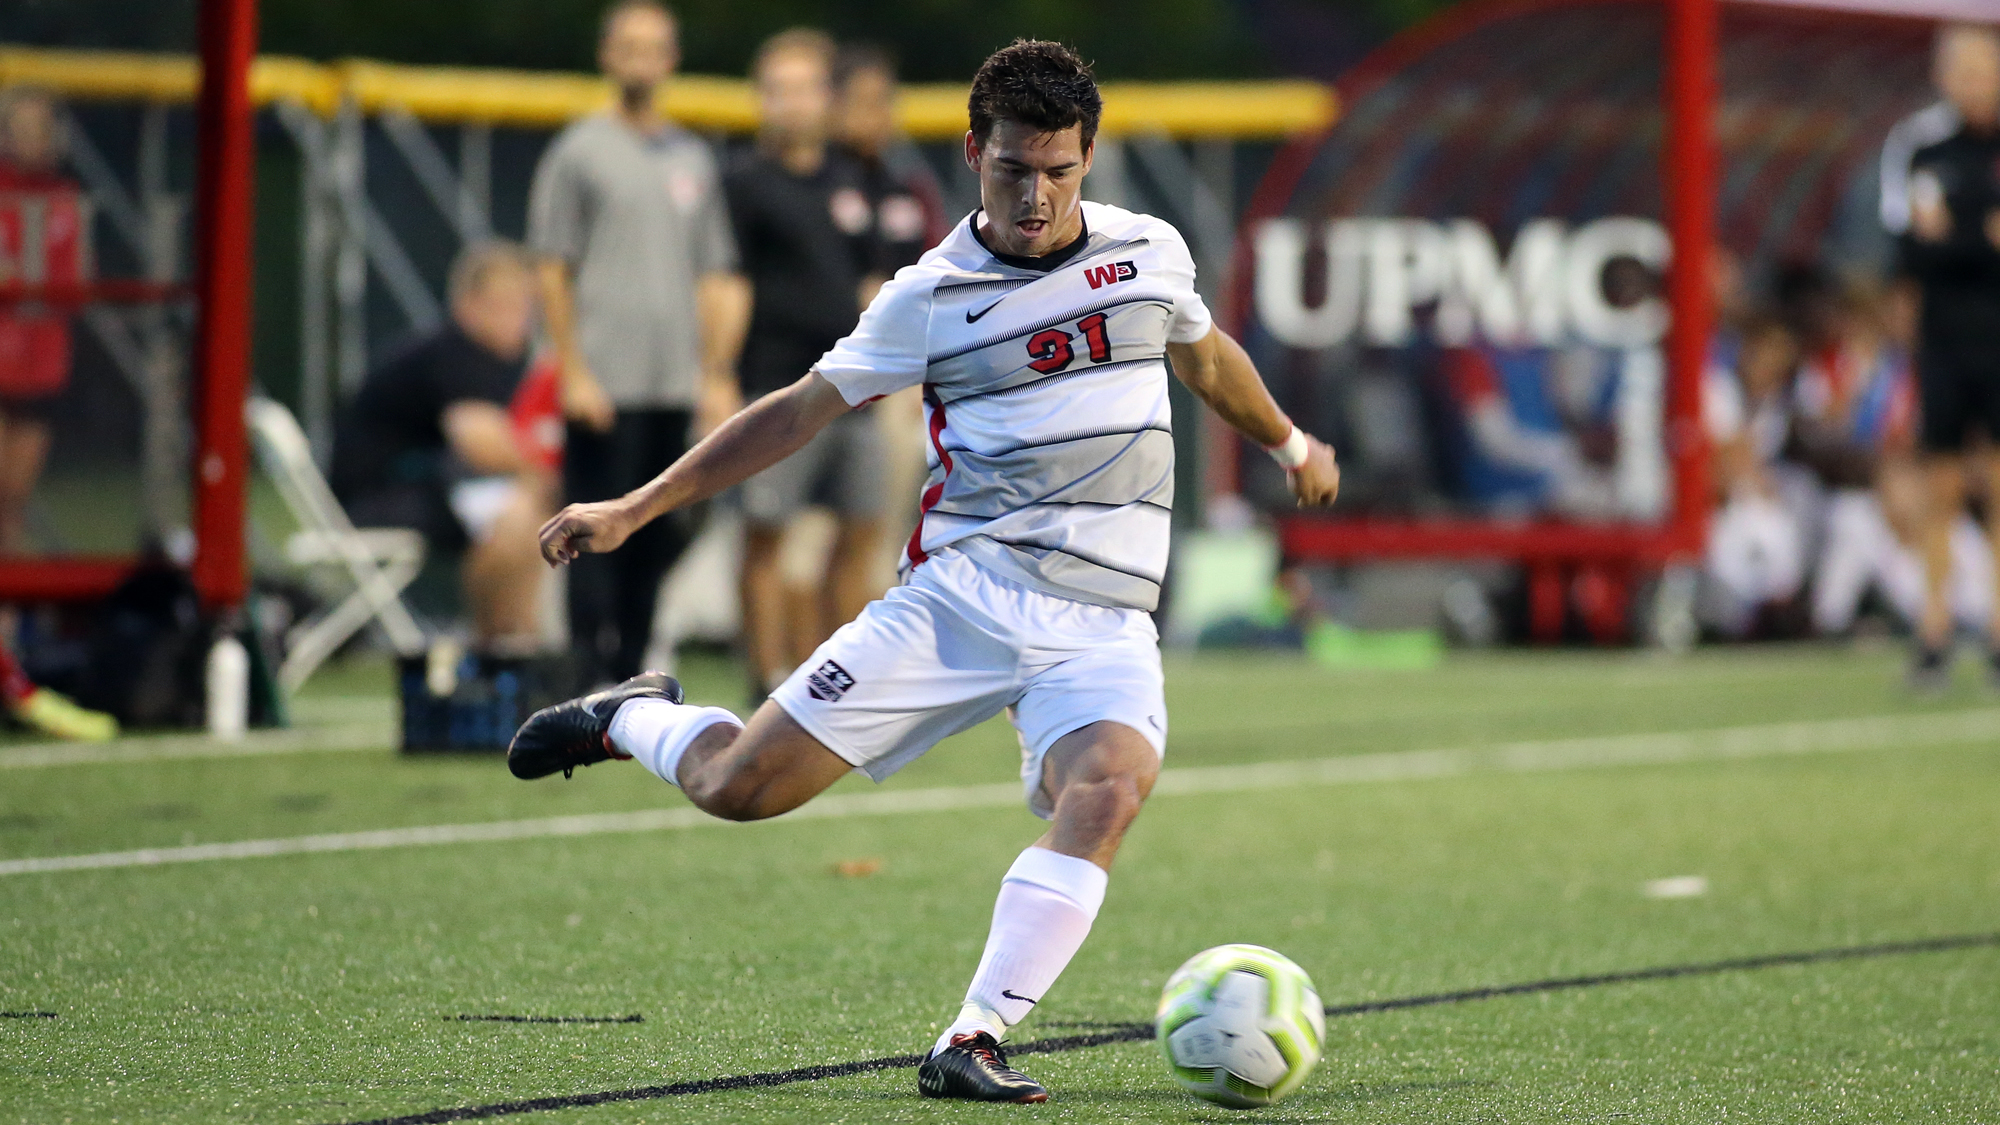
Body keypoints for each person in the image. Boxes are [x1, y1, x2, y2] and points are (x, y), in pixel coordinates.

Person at [508, 40, 1340, 1103]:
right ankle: (631, 717)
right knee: (736, 790)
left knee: (1108, 788)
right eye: (1010, 170)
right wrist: (634, 507)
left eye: (1056, 170)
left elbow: (1204, 354)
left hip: (1104, 624)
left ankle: (973, 1038)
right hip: (960, 602)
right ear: (970, 153)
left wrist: (1287, 444)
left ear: (1088, 155)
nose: (1033, 196)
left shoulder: (1149, 253)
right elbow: (796, 413)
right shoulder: (932, 295)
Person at [527, 0, 748, 687]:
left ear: (671, 60)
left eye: (653, 47)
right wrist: (573, 367)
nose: (640, 60)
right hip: (608, 375)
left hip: (671, 378)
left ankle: (628, 671)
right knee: (593, 528)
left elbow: (715, 271)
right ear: (607, 55)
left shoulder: (691, 155)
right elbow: (552, 263)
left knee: (653, 533)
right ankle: (583, 667)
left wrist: (714, 371)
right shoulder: (579, 150)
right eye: (628, 46)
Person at [724, 29, 889, 703]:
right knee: (767, 534)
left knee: (860, 531)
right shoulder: (740, 183)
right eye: (779, 89)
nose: (792, 104)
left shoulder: (852, 180)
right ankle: (766, 677)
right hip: (775, 384)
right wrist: (717, 376)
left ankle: (840, 683)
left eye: (804, 88)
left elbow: (873, 282)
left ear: (827, 98)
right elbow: (723, 285)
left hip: (851, 387)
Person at [330, 241, 549, 650]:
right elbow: (481, 444)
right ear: (469, 305)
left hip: (416, 489)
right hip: (378, 497)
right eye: (508, 306)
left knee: (521, 511)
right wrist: (553, 470)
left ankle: (507, 644)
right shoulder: (455, 355)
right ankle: (508, 646)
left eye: (526, 307)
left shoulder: (483, 359)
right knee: (521, 520)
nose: (521, 321)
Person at [1891, 21, 2000, 688]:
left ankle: (1996, 629)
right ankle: (1934, 628)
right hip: (1943, 341)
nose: (1973, 83)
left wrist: (1953, 236)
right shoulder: (1922, 150)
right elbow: (1913, 249)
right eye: (1961, 71)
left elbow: (1943, 240)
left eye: (1983, 70)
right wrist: (1979, 237)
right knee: (1940, 487)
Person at [0, 86, 87, 551]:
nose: (26, 138)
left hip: (37, 365)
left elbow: (69, 283)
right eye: (18, 128)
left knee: (12, 501)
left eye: (36, 129)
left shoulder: (62, 197)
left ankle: (7, 619)